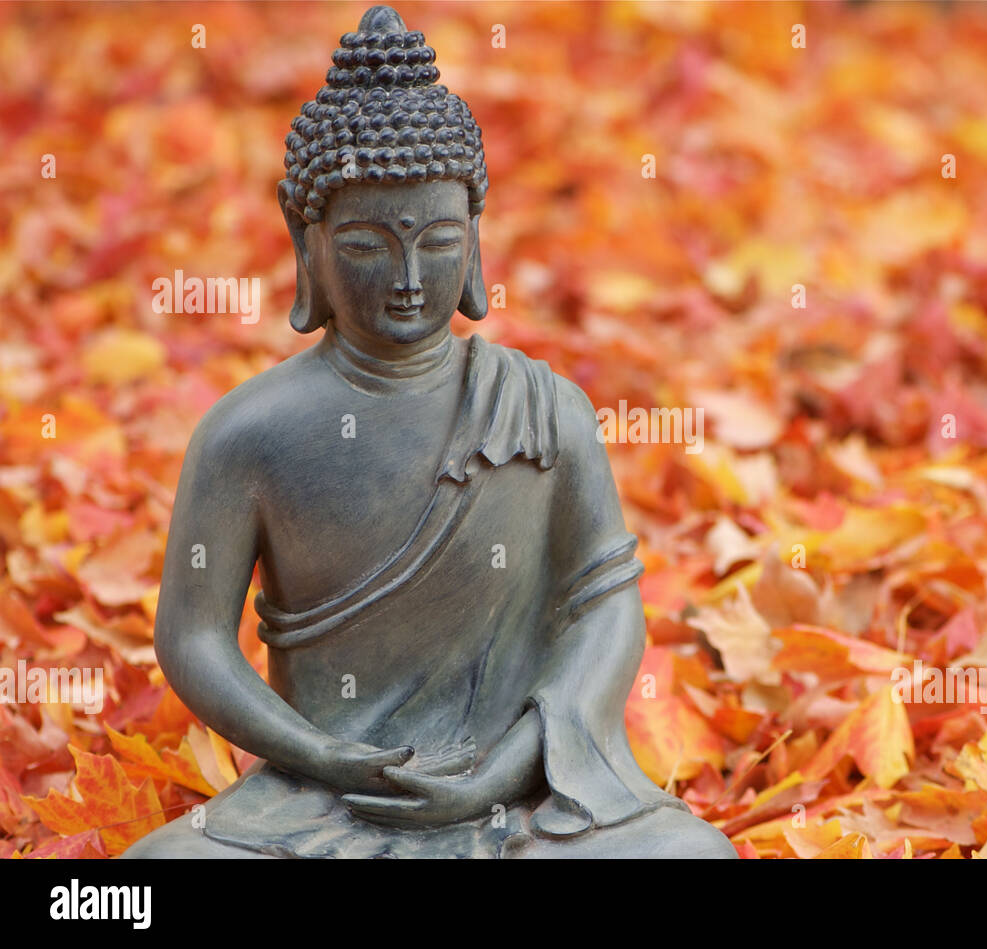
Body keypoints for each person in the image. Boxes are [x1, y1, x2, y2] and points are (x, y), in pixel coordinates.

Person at [123, 6, 735, 859]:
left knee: (687, 856)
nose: (411, 280)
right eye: (371, 245)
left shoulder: (544, 406)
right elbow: (191, 635)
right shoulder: (246, 433)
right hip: (318, 804)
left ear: (476, 240)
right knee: (153, 876)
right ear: (310, 240)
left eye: (440, 240)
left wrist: (506, 767)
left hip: (520, 798)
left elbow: (605, 613)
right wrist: (321, 754)